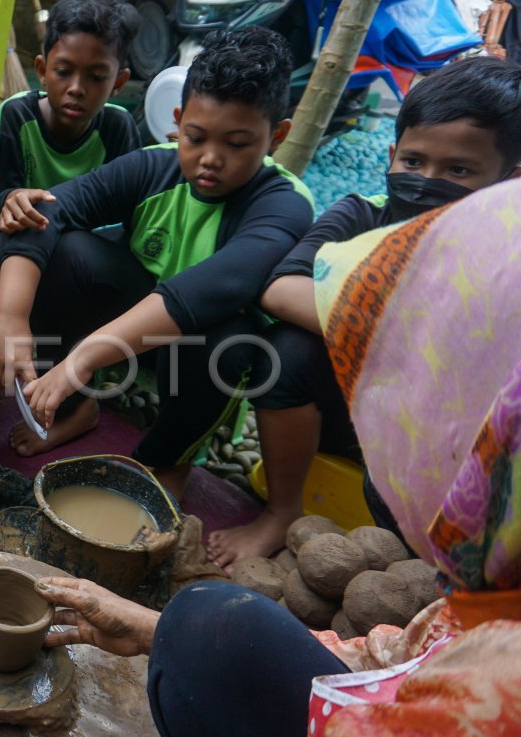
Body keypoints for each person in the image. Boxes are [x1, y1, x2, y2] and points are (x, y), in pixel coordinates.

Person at [33, 178, 521, 737]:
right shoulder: (481, 607)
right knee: (205, 623)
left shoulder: (498, 692)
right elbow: (394, 662)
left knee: (209, 626)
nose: (384, 418)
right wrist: (150, 628)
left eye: (410, 391)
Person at [207, 56, 521, 568]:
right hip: (352, 413)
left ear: (510, 181)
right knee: (286, 350)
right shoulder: (362, 215)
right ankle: (282, 511)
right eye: (414, 162)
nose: (427, 181)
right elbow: (282, 290)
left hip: (448, 448)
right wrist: (407, 337)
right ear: (393, 154)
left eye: (458, 170)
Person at [0, 28, 313, 502]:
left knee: (226, 336)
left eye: (238, 144)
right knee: (72, 251)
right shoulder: (154, 166)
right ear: (178, 120)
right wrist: (11, 316)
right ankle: (78, 409)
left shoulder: (285, 205)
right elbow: (51, 210)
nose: (210, 159)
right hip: (131, 333)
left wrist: (78, 362)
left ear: (277, 137)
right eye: (196, 137)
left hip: (201, 353)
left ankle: (170, 458)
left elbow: (212, 289)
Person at [0, 0, 142, 236]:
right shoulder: (16, 116)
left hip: (85, 255)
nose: (76, 88)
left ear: (118, 83)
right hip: (23, 244)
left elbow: (128, 214)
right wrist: (11, 201)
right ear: (42, 71)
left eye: (96, 77)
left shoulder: (119, 128)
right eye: (63, 72)